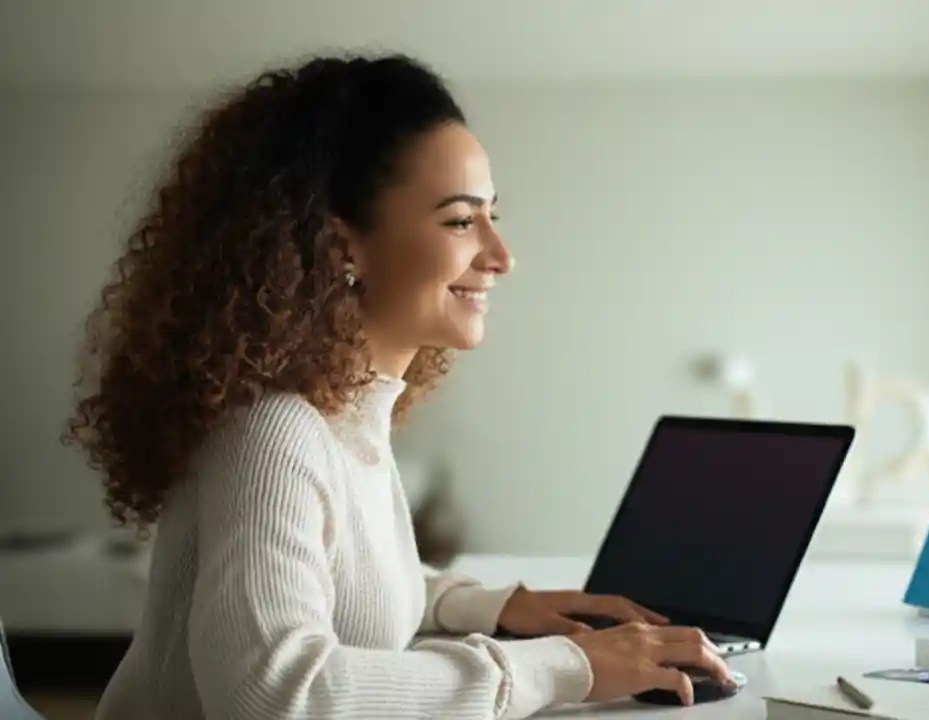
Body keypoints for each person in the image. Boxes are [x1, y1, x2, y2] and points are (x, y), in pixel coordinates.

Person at [64, 53, 735, 719]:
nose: (500, 256)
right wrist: (565, 668)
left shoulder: (346, 410)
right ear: (342, 248)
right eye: (460, 220)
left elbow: (338, 583)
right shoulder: (274, 429)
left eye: (492, 215)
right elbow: (273, 693)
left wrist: (495, 608)